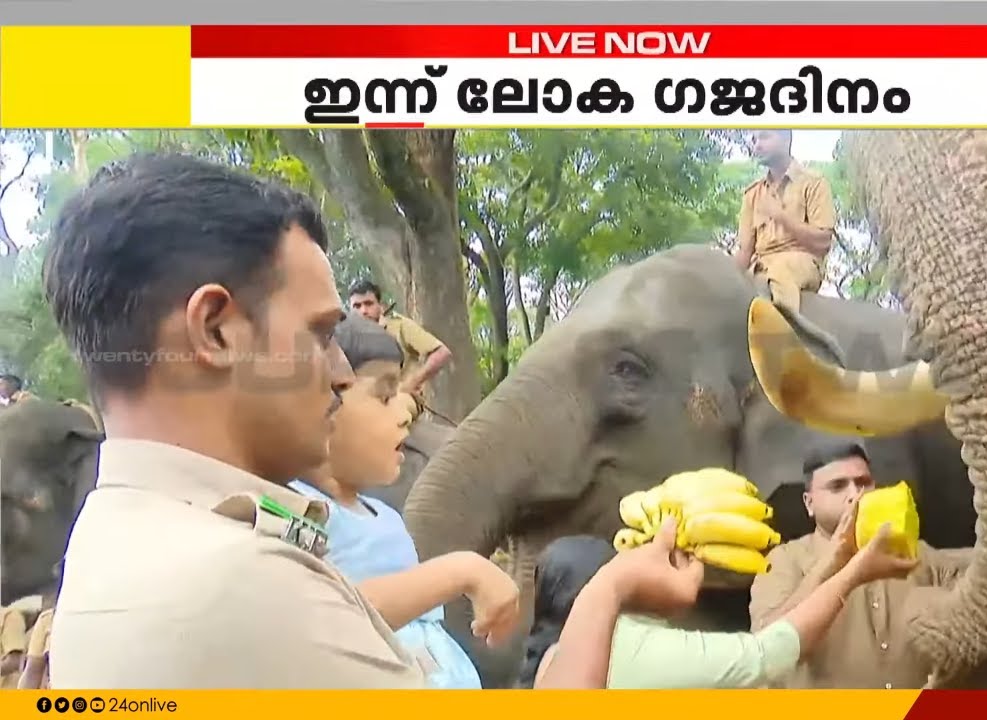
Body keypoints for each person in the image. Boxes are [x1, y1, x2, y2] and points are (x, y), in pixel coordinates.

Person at [39, 153, 702, 690]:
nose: (339, 373)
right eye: (320, 333)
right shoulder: (240, 585)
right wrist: (607, 593)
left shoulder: (112, 537)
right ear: (216, 330)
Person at [287, 314, 509, 689]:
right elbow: (331, 616)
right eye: (385, 396)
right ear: (323, 401)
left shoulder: (385, 515)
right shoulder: (300, 509)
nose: (405, 413)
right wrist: (461, 571)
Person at [516, 516, 919, 690]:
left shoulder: (556, 659)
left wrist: (830, 561)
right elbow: (768, 653)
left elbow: (761, 641)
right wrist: (854, 574)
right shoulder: (628, 646)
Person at [749, 442, 973, 689]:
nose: (855, 495)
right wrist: (830, 566)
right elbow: (763, 651)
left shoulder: (914, 551)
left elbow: (985, 577)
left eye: (863, 483)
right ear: (809, 503)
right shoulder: (785, 560)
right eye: (837, 486)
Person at [732, 129, 837, 315]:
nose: (757, 145)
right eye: (754, 140)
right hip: (760, 266)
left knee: (778, 277)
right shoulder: (752, 194)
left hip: (800, 261)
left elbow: (823, 242)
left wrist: (780, 216)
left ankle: (781, 330)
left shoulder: (813, 183)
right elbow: (745, 251)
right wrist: (727, 279)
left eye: (764, 137)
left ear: (786, 139)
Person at [348, 279, 452, 420]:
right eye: (357, 306)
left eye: (369, 304)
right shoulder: (345, 337)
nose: (363, 311)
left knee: (388, 414)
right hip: (364, 400)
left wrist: (411, 383)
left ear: (381, 306)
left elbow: (441, 353)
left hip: (401, 397)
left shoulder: (399, 325)